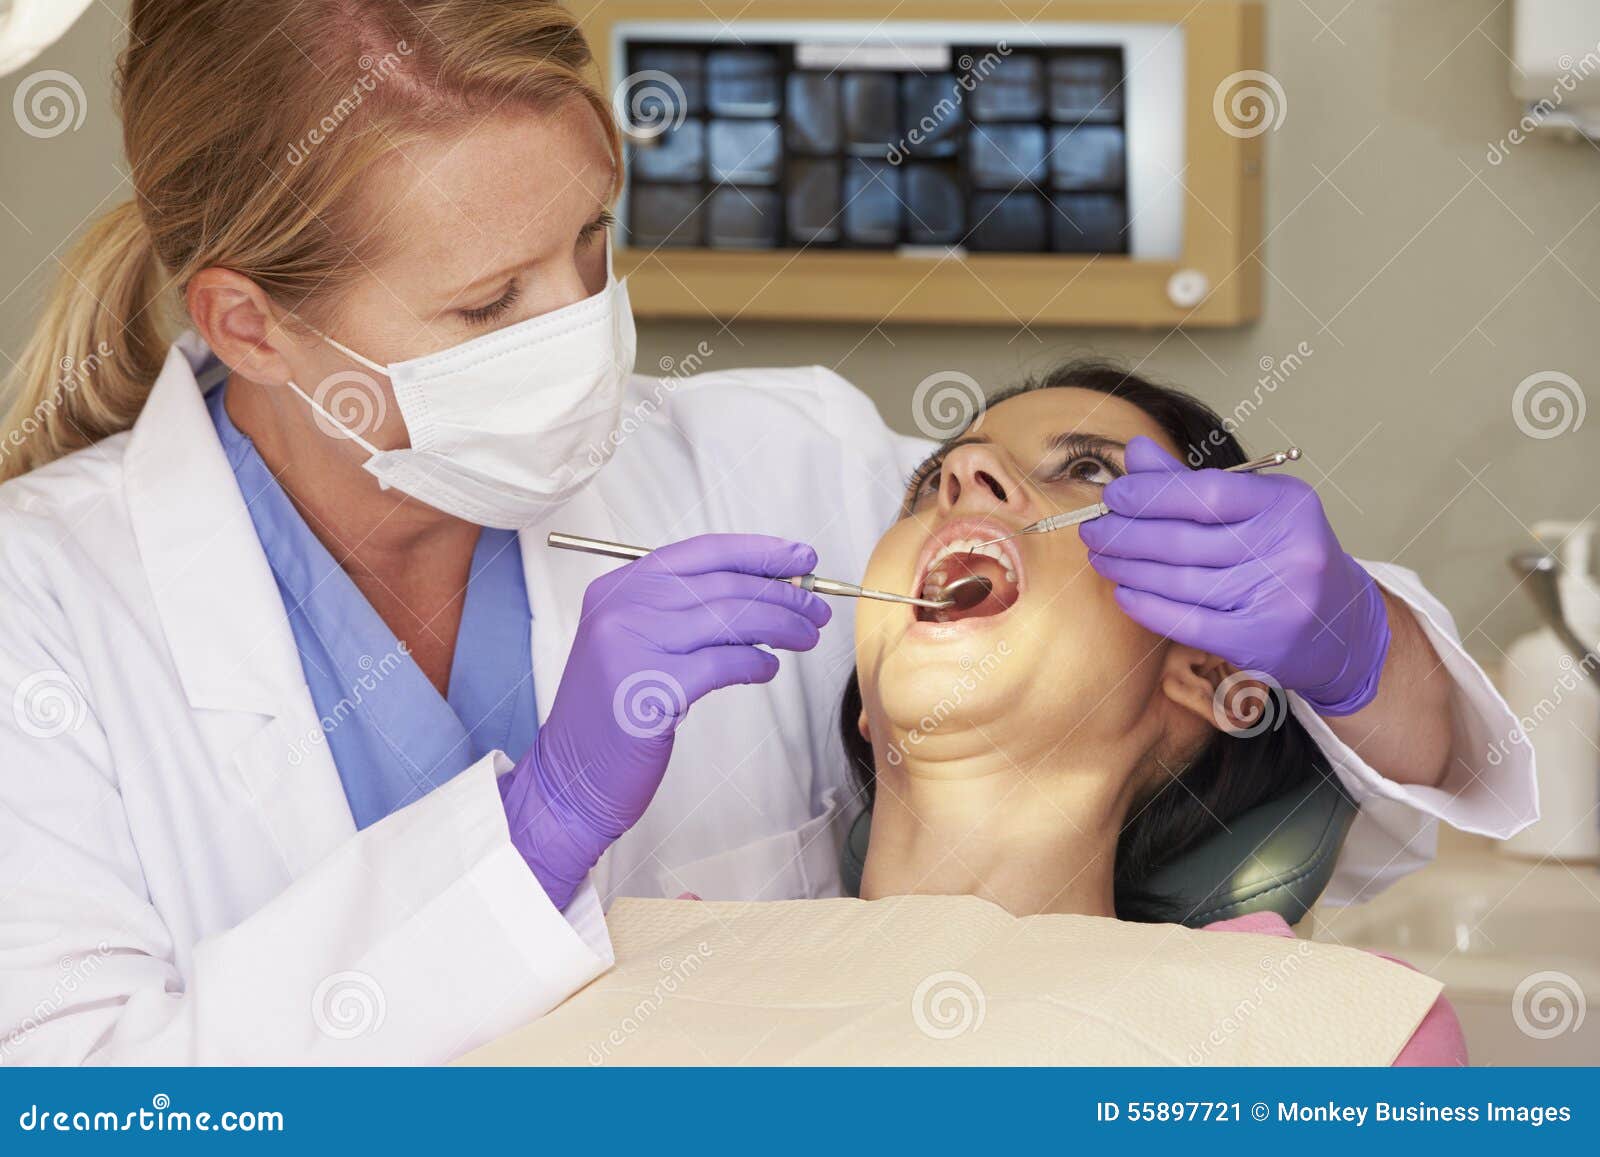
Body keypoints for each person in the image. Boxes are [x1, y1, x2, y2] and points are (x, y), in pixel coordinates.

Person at [0, 1, 1528, 1063]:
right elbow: (78, 1104)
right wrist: (535, 832)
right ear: (250, 326)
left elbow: (1252, 713)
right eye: (486, 306)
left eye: (592, 243)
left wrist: (1356, 643)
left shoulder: (768, 467)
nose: (579, 330)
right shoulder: (45, 613)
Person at [840, 362, 1467, 1064]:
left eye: (1088, 469)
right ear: (866, 704)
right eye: (931, 482)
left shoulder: (1340, 1038)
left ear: (1208, 676)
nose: (964, 469)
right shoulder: (728, 962)